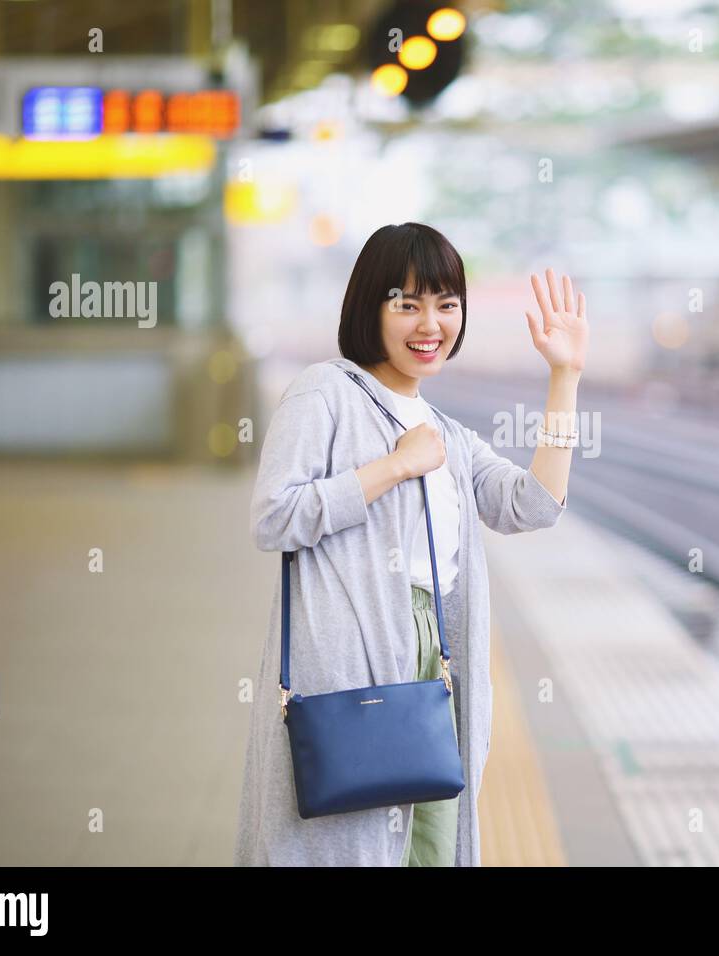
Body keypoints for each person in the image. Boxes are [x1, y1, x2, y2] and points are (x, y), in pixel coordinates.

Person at [233, 222, 588, 866]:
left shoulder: (449, 435)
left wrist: (564, 375)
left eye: (447, 305)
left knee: (429, 848)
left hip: (436, 665)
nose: (431, 324)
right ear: (371, 308)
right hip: (350, 660)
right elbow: (273, 516)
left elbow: (532, 505)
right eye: (408, 304)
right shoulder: (325, 394)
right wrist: (391, 468)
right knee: (341, 842)